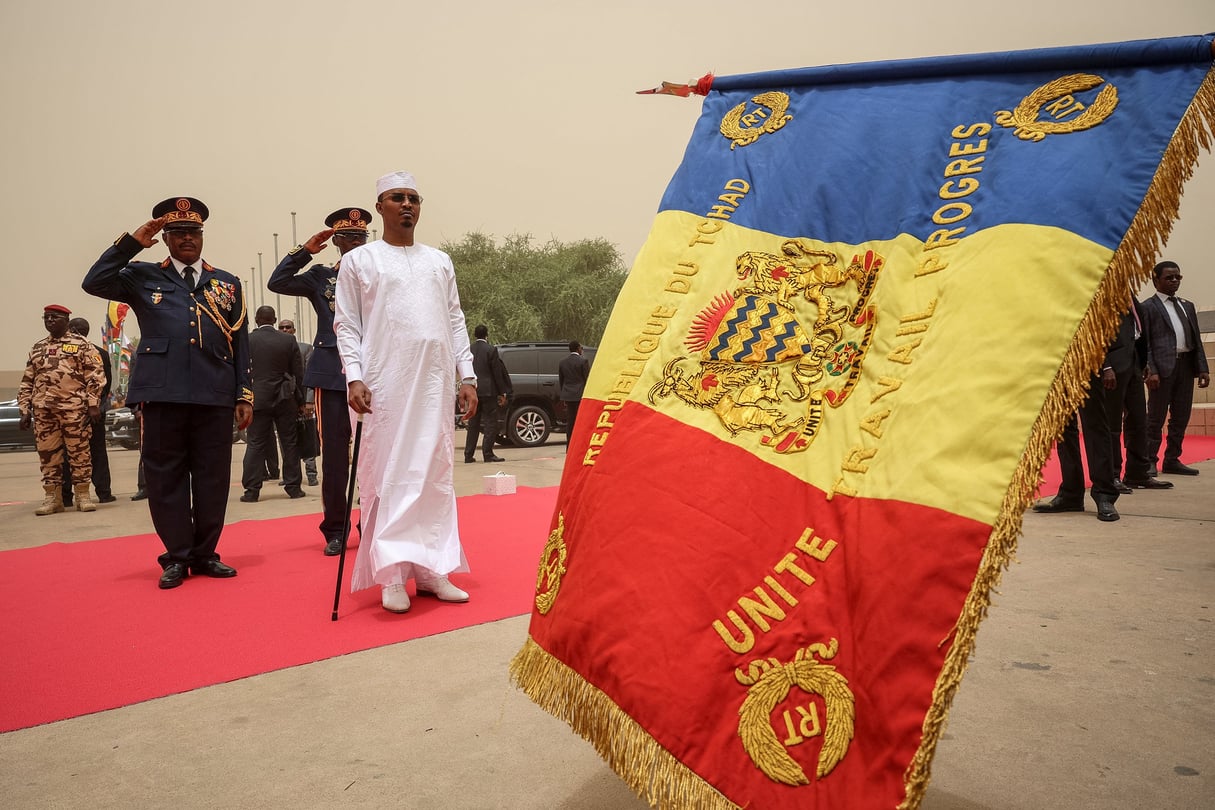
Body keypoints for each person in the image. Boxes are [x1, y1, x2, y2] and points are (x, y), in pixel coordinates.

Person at [82, 196, 253, 590]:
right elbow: (93, 282)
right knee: (165, 478)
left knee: (212, 478)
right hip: (162, 393)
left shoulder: (226, 283)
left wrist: (244, 393)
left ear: (202, 237)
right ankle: (177, 555)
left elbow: (240, 342)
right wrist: (133, 243)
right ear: (166, 238)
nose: (187, 239)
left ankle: (206, 553)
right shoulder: (141, 276)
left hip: (214, 393)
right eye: (178, 233)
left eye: (194, 232)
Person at [335, 171, 477, 613]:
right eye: (397, 198)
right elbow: (347, 324)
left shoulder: (439, 261)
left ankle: (433, 569)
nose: (407, 205)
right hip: (385, 383)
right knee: (391, 474)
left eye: (414, 198)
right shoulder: (360, 261)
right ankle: (393, 574)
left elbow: (454, 319)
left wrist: (467, 375)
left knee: (434, 473)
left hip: (434, 383)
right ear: (380, 207)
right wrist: (354, 376)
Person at [268, 207, 371, 555]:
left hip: (376, 374)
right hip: (332, 375)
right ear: (337, 242)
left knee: (376, 456)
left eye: (361, 238)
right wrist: (306, 250)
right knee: (335, 460)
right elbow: (277, 282)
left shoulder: (383, 273)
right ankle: (336, 530)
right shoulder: (321, 276)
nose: (356, 244)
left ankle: (372, 525)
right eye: (349, 238)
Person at [1033, 321, 1129, 521]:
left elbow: (1100, 322)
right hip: (1055, 363)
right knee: (1063, 430)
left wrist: (1107, 364)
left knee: (1095, 426)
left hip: (1087, 361)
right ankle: (1071, 493)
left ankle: (1105, 495)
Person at [17, 304, 106, 515]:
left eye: (54, 317)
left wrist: (93, 404)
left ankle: (83, 496)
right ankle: (52, 498)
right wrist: (24, 409)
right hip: (44, 411)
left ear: (66, 320)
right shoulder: (37, 348)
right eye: (46, 318)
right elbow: (28, 380)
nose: (49, 321)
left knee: (80, 453)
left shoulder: (82, 345)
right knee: (48, 456)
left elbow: (95, 376)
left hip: (73, 410)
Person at [1141, 260, 1210, 476]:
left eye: (1177, 277)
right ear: (1156, 280)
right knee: (1155, 418)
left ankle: (1173, 459)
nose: (1174, 281)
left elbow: (1196, 340)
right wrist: (1150, 370)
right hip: (1161, 370)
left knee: (1181, 416)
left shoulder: (1186, 305)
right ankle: (1149, 460)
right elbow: (1145, 343)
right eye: (1169, 277)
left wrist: (1202, 368)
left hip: (1186, 367)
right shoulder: (1148, 307)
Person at [240, 306, 306, 502]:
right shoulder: (288, 340)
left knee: (255, 444)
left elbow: (241, 370)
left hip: (257, 399)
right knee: (289, 443)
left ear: (256, 320)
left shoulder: (248, 340)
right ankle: (293, 487)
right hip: (285, 398)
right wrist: (301, 400)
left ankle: (252, 490)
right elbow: (298, 372)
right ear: (275, 320)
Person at [1114, 302, 1172, 491]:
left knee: (1139, 420)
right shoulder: (1103, 294)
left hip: (1135, 363)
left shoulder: (1130, 295)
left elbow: (1137, 330)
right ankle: (1112, 475)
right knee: (1111, 424)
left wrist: (1143, 361)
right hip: (1114, 367)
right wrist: (1105, 366)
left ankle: (1138, 473)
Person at [59, 317, 116, 506]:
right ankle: (103, 493)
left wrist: (94, 407)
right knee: (96, 452)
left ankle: (68, 496)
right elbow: (106, 386)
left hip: (83, 412)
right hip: (89, 411)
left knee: (70, 453)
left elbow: (103, 384)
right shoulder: (100, 353)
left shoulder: (96, 353)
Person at [279, 318, 319, 486]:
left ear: (294, 330)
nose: (285, 329)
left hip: (303, 400)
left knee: (307, 436)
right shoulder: (276, 349)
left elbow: (311, 376)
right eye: (281, 327)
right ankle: (290, 475)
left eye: (288, 327)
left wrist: (309, 401)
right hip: (284, 402)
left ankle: (311, 474)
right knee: (286, 441)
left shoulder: (306, 348)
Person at [464, 324, 510, 463]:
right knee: (490, 423)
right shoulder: (491, 350)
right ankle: (488, 454)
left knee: (473, 423)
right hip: (489, 391)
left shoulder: (469, 350)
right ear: (486, 335)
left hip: (474, 389)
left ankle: (468, 455)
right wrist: (502, 392)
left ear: (474, 335)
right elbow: (496, 372)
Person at [558, 340, 590, 443]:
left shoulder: (563, 362)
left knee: (570, 421)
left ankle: (569, 445)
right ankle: (579, 443)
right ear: (578, 348)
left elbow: (561, 380)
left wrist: (564, 393)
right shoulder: (583, 361)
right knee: (580, 421)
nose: (582, 350)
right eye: (581, 348)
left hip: (568, 395)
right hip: (579, 395)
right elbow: (587, 379)